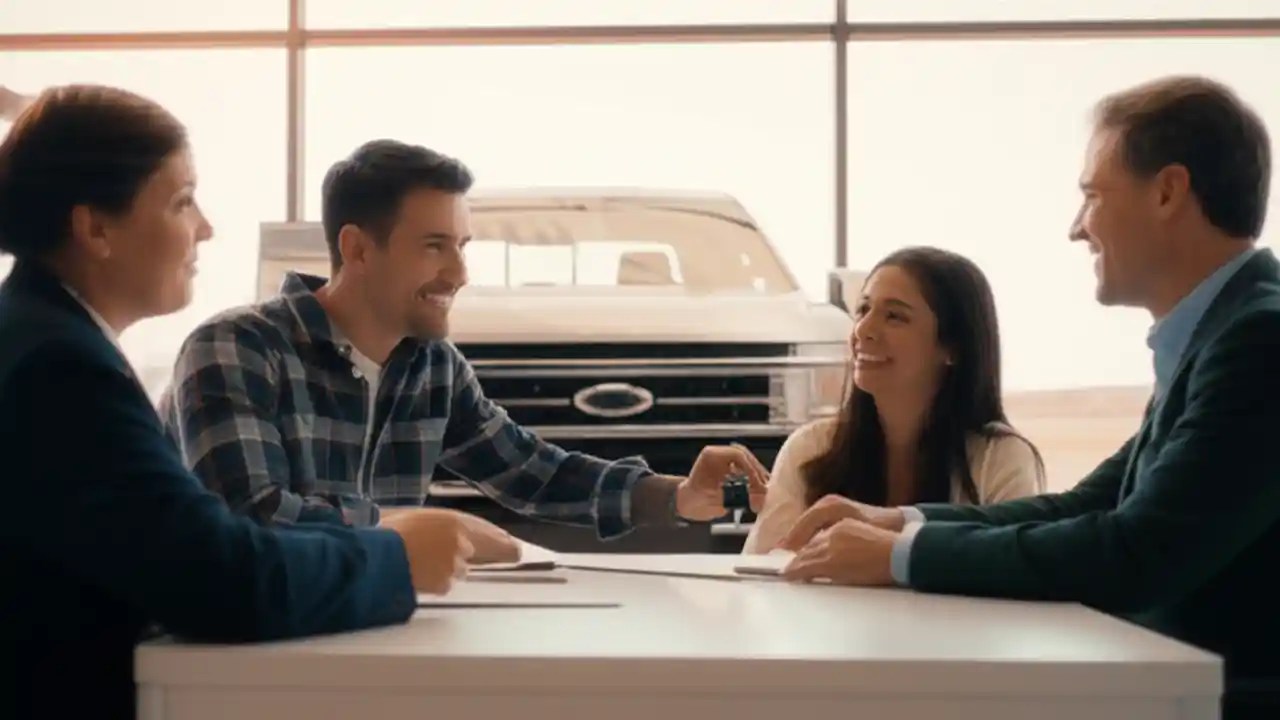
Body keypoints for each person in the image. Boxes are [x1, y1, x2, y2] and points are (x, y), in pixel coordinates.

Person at [777, 75, 1280, 718]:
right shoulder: (1220, 336)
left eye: (1093, 196)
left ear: (1167, 192)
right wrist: (899, 523)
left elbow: (1136, 552)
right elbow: (1087, 505)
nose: (1078, 228)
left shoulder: (1257, 342)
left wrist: (903, 555)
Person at [0, 85, 477, 720]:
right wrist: (394, 555)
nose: (206, 227)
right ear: (95, 227)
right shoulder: (63, 370)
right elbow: (220, 576)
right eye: (181, 201)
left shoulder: (43, 336)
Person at [160, 138, 768, 547]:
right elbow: (248, 518)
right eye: (434, 247)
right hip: (223, 660)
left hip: (364, 633)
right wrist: (425, 529)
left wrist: (678, 496)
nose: (459, 273)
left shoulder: (430, 367)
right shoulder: (235, 349)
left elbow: (531, 471)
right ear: (358, 249)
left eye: (462, 246)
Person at [742, 246, 1044, 555]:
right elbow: (761, 575)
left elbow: (1013, 578)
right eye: (862, 309)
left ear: (953, 347)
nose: (863, 329)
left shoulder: (1000, 459)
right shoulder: (810, 449)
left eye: (894, 316)